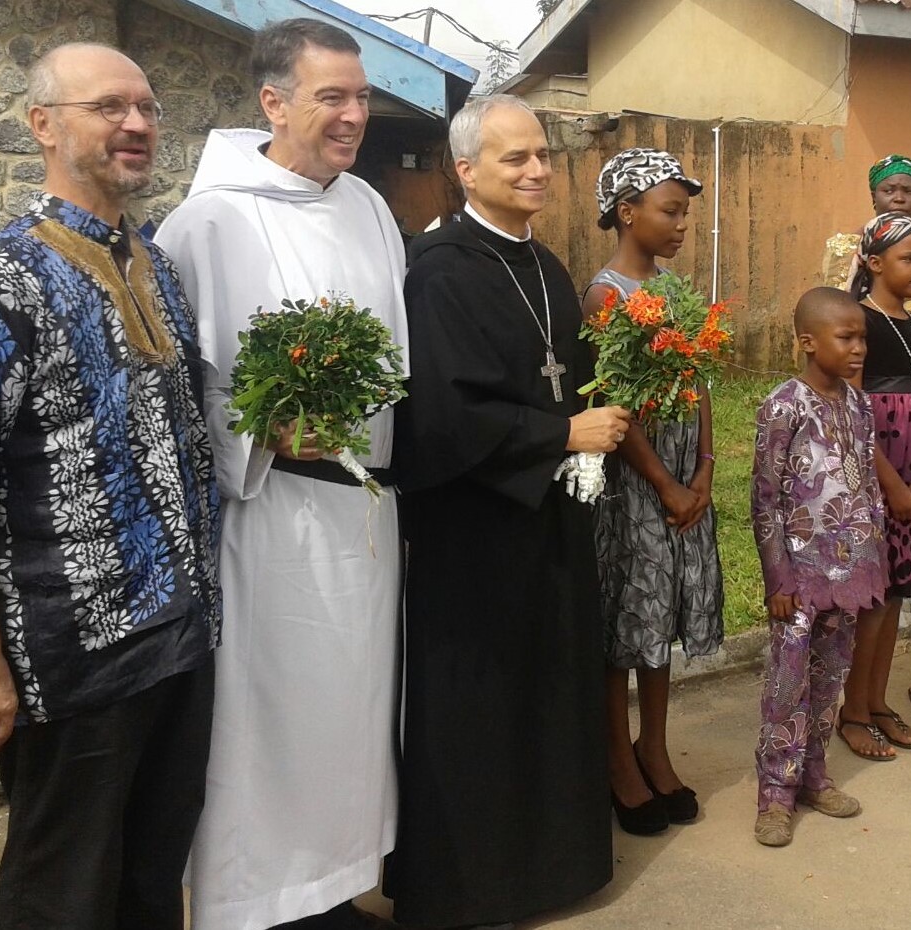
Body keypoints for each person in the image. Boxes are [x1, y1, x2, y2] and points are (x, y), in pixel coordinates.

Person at [0, 43, 221, 929]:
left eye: (148, 108)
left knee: (151, 880)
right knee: (64, 896)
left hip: (182, 639)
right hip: (74, 656)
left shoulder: (155, 265)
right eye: (109, 107)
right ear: (42, 125)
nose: (136, 125)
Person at [154, 19, 406, 930]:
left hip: (364, 517)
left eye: (362, 96)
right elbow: (179, 385)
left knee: (351, 714)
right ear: (272, 102)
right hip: (271, 518)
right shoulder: (208, 220)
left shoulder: (369, 206)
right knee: (269, 723)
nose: (352, 116)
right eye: (329, 97)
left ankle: (335, 886)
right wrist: (261, 432)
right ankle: (255, 903)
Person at [386, 95, 629, 929]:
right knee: (484, 704)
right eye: (513, 158)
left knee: (551, 687)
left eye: (541, 157)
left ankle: (555, 864)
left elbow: (566, 367)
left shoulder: (547, 264)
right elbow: (446, 416)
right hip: (478, 531)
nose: (534, 170)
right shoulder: (441, 270)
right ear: (465, 171)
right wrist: (563, 432)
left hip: (549, 517)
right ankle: (475, 881)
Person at [580, 148, 723, 837]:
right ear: (626, 211)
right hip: (633, 481)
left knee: (661, 616)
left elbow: (696, 384)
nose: (682, 223)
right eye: (671, 210)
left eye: (686, 212)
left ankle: (655, 747)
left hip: (679, 476)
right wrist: (664, 480)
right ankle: (616, 756)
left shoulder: (675, 291)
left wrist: (703, 467)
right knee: (626, 619)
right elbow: (612, 400)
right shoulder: (606, 294)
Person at [751, 287, 886, 847]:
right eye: (846, 337)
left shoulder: (859, 404)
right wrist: (777, 576)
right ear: (808, 343)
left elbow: (869, 487)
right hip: (800, 580)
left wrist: (873, 562)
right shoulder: (783, 405)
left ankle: (814, 777)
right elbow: (764, 498)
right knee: (789, 685)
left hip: (848, 577)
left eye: (862, 339)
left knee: (830, 680)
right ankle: (774, 796)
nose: (858, 349)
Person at [839, 213, 911, 760]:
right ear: (876, 263)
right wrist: (894, 487)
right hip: (879, 478)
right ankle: (853, 710)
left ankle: (877, 703)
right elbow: (855, 413)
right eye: (909, 259)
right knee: (873, 599)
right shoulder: (860, 321)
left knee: (897, 595)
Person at [821, 154, 911, 299]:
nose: (899, 198)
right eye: (889, 191)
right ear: (873, 197)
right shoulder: (845, 248)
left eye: (909, 191)